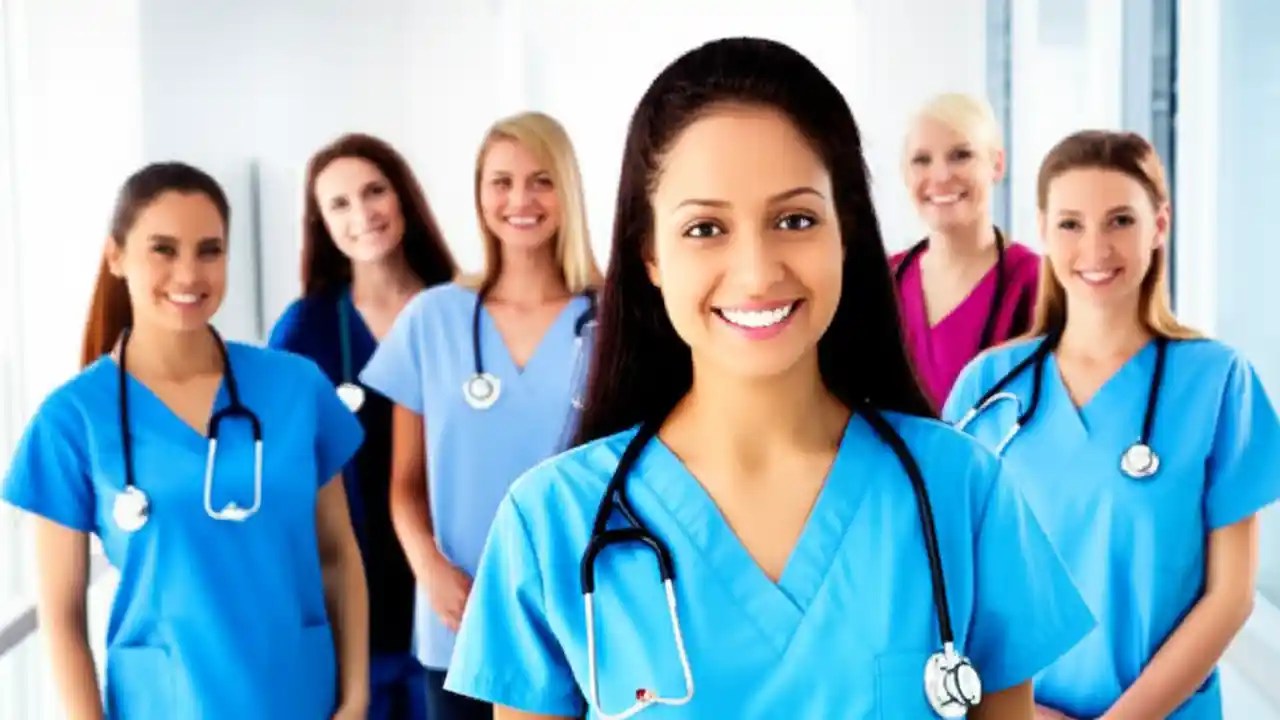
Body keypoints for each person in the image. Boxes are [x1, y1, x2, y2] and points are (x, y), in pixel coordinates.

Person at [441, 37, 1095, 719]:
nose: (756, 272)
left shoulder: (962, 492)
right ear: (650, 254)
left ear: (846, 233)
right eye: (704, 229)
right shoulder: (551, 523)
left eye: (795, 219)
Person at [1, 162, 369, 719]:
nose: (189, 273)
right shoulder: (72, 420)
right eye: (164, 249)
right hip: (165, 704)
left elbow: (339, 556)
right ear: (116, 256)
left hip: (298, 698)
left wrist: (355, 697)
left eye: (209, 250)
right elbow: (61, 615)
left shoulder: (296, 388)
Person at [942, 130, 1280, 720]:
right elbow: (949, 577)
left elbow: (1231, 596)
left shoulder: (1219, 383)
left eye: (1120, 220)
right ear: (1043, 230)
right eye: (1071, 224)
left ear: (1160, 224)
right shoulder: (987, 389)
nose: (1095, 247)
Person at [359, 110, 604, 720]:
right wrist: (427, 567)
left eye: (541, 180)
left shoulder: (614, 320)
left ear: (568, 190)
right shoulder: (432, 318)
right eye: (501, 181)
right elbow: (405, 487)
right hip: (459, 621)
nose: (520, 199)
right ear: (479, 195)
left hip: (586, 614)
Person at [268, 132, 459, 719]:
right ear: (322, 224)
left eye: (374, 191)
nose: (363, 214)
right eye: (340, 204)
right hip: (354, 601)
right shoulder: (307, 329)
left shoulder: (461, 311)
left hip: (453, 587)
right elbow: (276, 474)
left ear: (403, 197)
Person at [891, 93, 1040, 409]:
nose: (941, 176)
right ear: (905, 173)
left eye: (961, 155)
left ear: (997, 164)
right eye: (922, 160)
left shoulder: (1035, 282)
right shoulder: (882, 280)